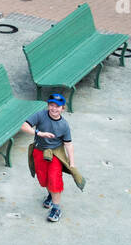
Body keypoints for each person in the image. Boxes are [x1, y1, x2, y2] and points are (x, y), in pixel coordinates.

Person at [20, 93, 83, 223]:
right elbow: (24, 126)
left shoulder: (64, 125)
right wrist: (39, 133)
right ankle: (51, 195)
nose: (54, 109)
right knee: (43, 179)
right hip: (39, 151)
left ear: (63, 108)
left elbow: (68, 143)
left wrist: (72, 162)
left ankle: (56, 208)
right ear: (48, 105)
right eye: (51, 105)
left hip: (55, 153)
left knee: (54, 180)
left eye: (58, 106)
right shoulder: (40, 115)